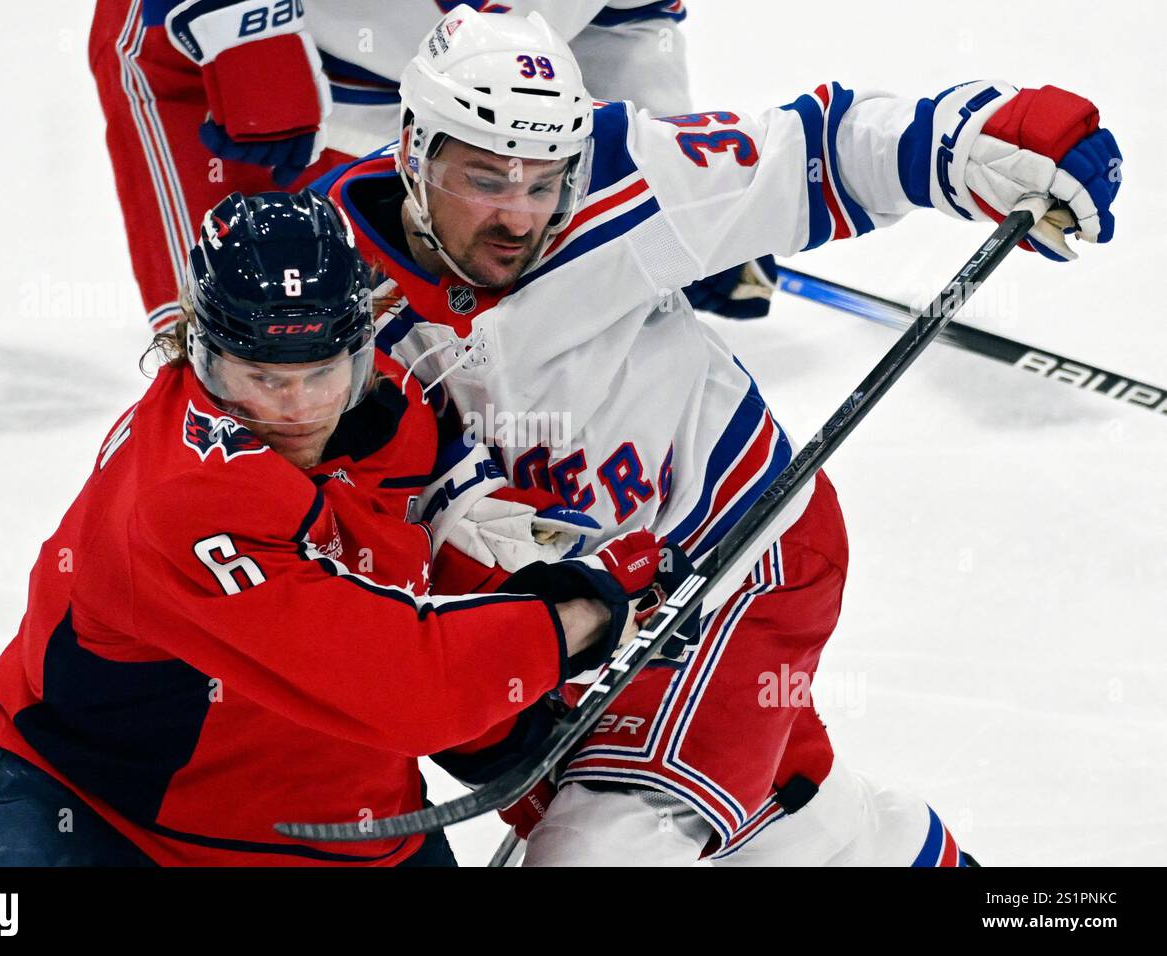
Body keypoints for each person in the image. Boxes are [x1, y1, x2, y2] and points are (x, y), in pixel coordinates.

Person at [312, 7, 1123, 864]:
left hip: (742, 559)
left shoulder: (626, 178)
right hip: (590, 608)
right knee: (782, 813)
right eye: (485, 179)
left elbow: (813, 150)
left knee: (601, 844)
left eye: (543, 182)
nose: (520, 218)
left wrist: (967, 145)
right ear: (413, 146)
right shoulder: (336, 290)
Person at [0, 188, 663, 866]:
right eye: (262, 377)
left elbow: (400, 583)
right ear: (200, 352)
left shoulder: (391, 413)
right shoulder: (183, 497)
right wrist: (582, 616)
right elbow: (406, 686)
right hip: (99, 822)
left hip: (338, 825)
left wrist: (507, 732)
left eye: (322, 372)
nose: (297, 408)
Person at [88, 1, 759, 335]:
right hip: (241, 60)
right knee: (242, 335)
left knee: (430, 351)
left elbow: (621, 29)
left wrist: (668, 198)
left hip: (458, 96)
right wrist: (236, 24)